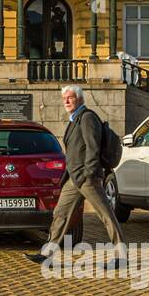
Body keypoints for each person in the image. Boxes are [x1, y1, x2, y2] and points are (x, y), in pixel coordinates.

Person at [28, 84, 126, 263]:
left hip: (87, 178)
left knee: (106, 215)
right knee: (60, 213)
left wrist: (88, 172)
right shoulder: (75, 119)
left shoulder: (87, 117)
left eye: (70, 97)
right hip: (74, 178)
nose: (66, 101)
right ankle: (46, 254)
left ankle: (122, 255)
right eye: (64, 98)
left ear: (79, 99)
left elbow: (93, 147)